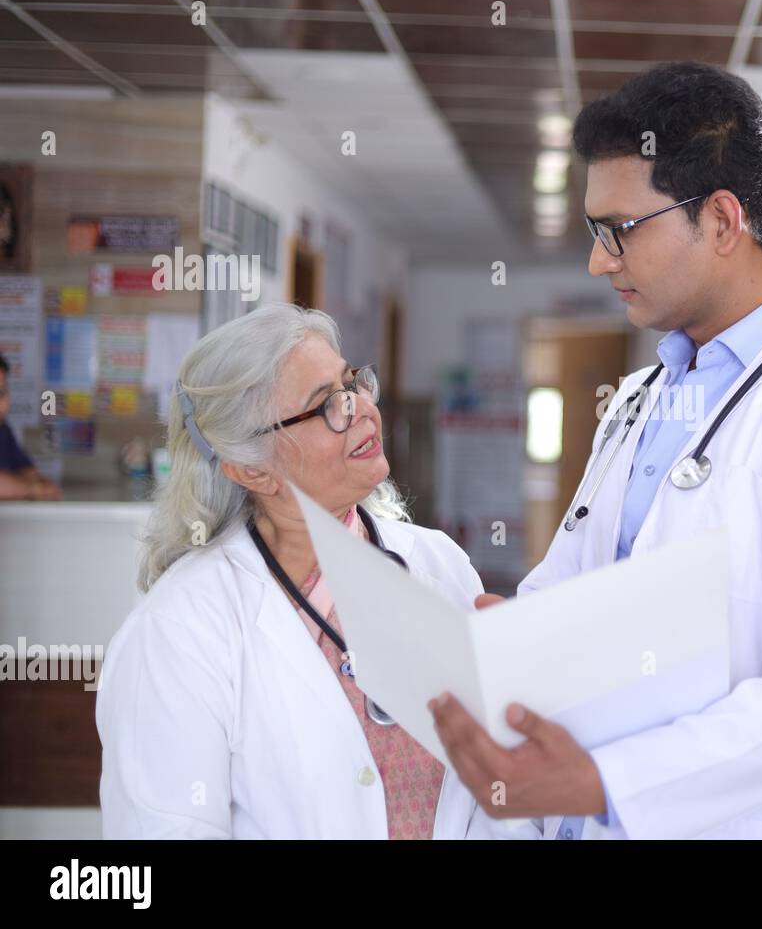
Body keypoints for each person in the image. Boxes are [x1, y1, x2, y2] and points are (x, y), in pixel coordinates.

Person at [429, 61, 762, 839]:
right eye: (594, 232)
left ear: (723, 222)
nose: (599, 261)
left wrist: (606, 783)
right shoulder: (643, 397)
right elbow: (576, 577)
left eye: (619, 231)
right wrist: (515, 638)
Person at [96, 304, 500, 838]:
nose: (359, 409)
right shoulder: (179, 631)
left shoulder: (438, 564)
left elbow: (496, 789)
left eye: (352, 382)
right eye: (326, 405)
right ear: (252, 469)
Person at [0, 353, 60, 501]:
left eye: (2, 393)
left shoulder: (3, 430)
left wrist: (39, 485)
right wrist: (32, 489)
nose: (4, 405)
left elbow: (29, 472)